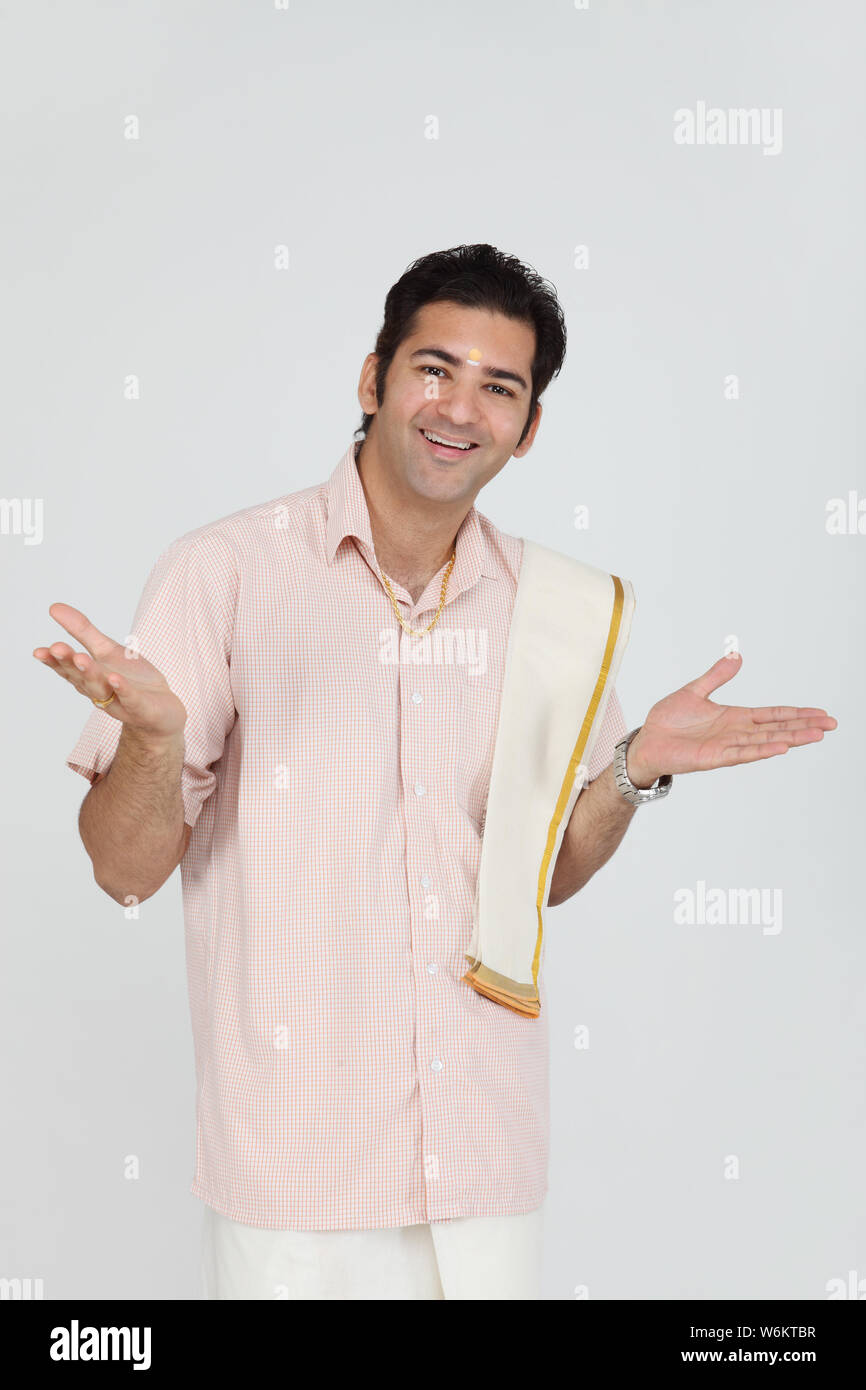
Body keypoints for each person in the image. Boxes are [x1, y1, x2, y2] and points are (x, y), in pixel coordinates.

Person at [34, 244, 836, 1300]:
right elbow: (123, 870)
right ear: (372, 380)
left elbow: (534, 880)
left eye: (498, 386)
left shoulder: (551, 609)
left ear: (528, 426)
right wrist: (150, 741)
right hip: (294, 1171)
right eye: (432, 368)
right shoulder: (223, 573)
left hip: (481, 1161)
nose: (458, 407)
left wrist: (631, 771)